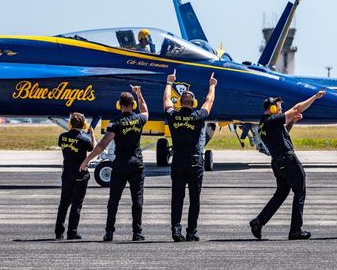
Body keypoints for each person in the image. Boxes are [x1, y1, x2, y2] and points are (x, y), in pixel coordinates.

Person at [249, 89, 326, 240]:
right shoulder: (273, 120)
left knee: (282, 192)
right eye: (278, 107)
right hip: (288, 160)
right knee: (300, 191)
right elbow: (297, 108)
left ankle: (259, 221)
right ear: (271, 108)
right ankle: (296, 230)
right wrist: (315, 97)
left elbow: (281, 134)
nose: (281, 110)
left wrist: (292, 122)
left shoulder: (264, 124)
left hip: (278, 162)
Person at [80, 85, 148, 242]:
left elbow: (103, 144)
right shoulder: (139, 119)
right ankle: (137, 233)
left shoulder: (114, 124)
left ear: (119, 105)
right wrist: (139, 94)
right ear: (133, 106)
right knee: (137, 199)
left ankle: (109, 232)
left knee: (114, 199)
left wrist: (87, 160)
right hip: (136, 162)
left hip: (120, 163)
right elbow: (145, 110)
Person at [163, 69, 217, 242]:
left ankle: (175, 230)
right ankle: (191, 232)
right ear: (193, 103)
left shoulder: (173, 116)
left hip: (178, 161)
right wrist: (212, 86)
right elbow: (209, 101)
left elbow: (166, 101)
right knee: (195, 199)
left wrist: (169, 83)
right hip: (194, 162)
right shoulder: (198, 116)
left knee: (177, 198)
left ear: (179, 102)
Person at [55, 112, 96, 240]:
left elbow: (61, 145)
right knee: (76, 203)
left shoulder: (62, 136)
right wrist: (92, 136)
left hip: (66, 173)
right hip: (80, 174)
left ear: (70, 124)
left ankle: (59, 232)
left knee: (64, 203)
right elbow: (93, 149)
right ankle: (72, 232)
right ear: (84, 124)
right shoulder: (84, 139)